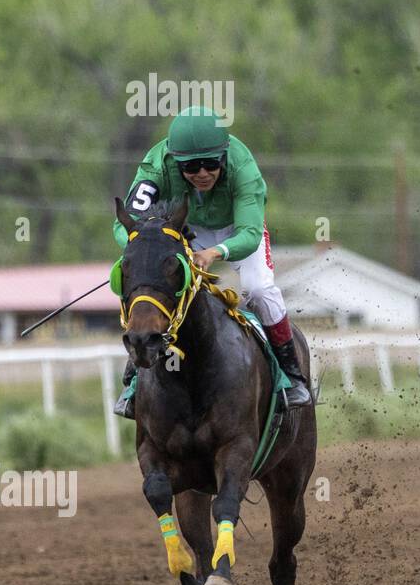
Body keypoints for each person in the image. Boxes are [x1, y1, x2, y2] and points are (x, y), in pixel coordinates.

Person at [112, 107, 312, 417]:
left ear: (224, 155)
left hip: (237, 228)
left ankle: (292, 376)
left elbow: (249, 233)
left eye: (211, 164)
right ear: (175, 162)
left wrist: (215, 252)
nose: (202, 174)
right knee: (154, 285)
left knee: (258, 289)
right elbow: (123, 226)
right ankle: (135, 378)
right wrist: (153, 247)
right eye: (191, 167)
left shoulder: (243, 166)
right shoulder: (155, 166)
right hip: (183, 229)